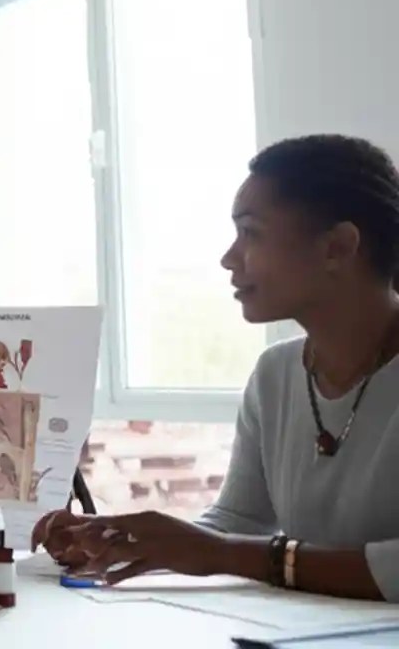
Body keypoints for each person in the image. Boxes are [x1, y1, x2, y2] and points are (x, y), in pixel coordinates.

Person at [33, 134, 399, 603]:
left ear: (338, 247)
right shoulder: (275, 375)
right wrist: (116, 542)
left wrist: (225, 552)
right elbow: (235, 526)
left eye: (251, 232)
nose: (229, 257)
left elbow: (228, 549)